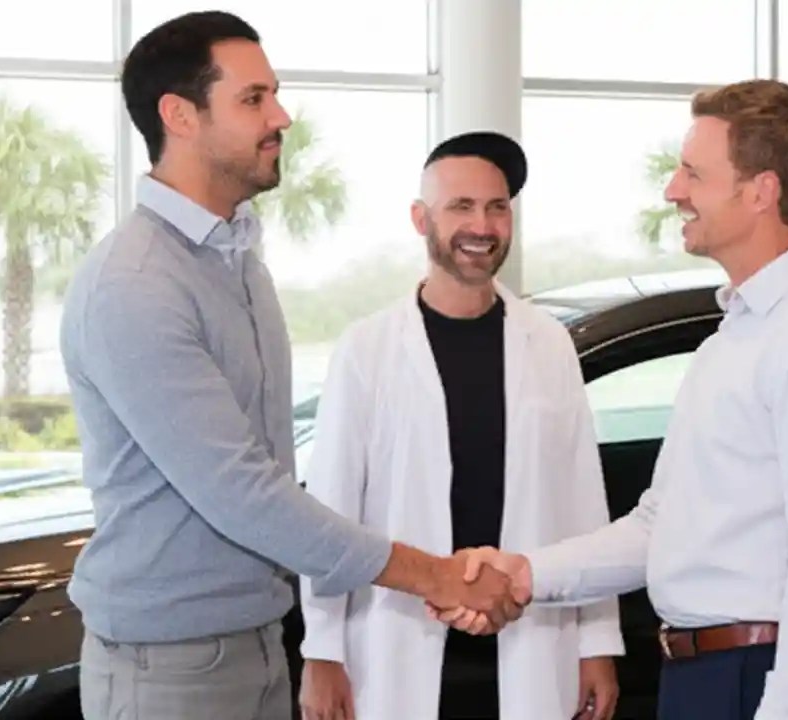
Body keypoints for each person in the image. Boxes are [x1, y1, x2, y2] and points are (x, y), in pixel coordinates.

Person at [58, 12, 521, 720]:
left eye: (274, 94)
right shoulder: (136, 283)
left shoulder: (238, 261)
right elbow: (242, 491)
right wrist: (438, 574)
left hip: (255, 643)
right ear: (179, 116)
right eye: (253, 100)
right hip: (171, 671)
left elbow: (271, 471)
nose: (281, 116)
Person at [440, 79, 788, 720]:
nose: (673, 190)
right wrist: (524, 573)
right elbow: (663, 524)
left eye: (693, 173)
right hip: (705, 678)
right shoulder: (736, 335)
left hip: (761, 681)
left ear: (761, 191)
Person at [294, 131, 623, 720]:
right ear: (421, 220)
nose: (483, 225)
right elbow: (332, 511)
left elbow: (582, 503)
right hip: (399, 644)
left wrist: (597, 644)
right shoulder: (366, 348)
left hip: (530, 639)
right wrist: (322, 651)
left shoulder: (547, 341)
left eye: (497, 207)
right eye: (462, 207)